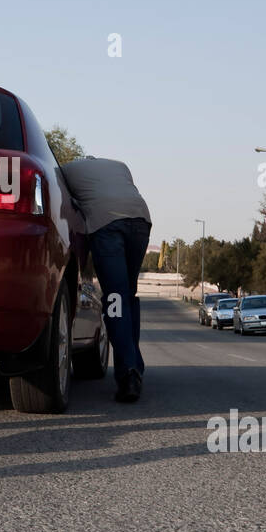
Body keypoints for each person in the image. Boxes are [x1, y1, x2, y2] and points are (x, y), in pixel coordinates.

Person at [58, 156, 152, 403]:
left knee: (114, 300)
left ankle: (129, 374)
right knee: (127, 298)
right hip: (141, 220)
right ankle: (134, 367)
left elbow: (64, 204)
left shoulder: (65, 171)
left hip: (107, 224)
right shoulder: (120, 165)